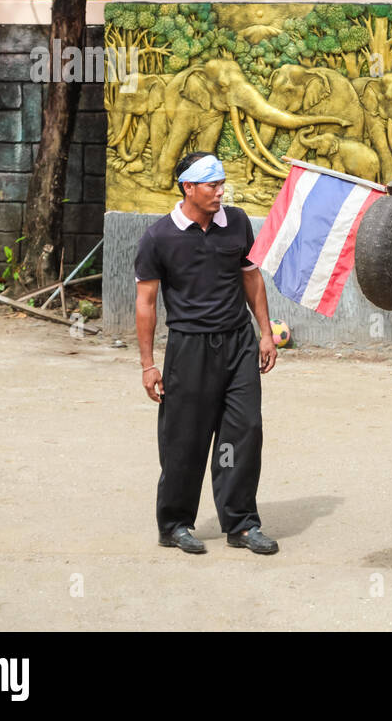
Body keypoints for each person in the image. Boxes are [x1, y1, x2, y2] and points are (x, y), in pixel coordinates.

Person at [135, 151, 280, 555]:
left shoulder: (235, 223)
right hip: (189, 349)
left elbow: (251, 277)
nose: (221, 192)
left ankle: (242, 524)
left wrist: (265, 333)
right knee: (185, 438)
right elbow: (145, 303)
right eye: (212, 185)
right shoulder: (158, 238)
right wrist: (148, 365)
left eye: (221, 184)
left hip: (238, 344)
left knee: (244, 431)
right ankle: (176, 523)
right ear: (189, 188)